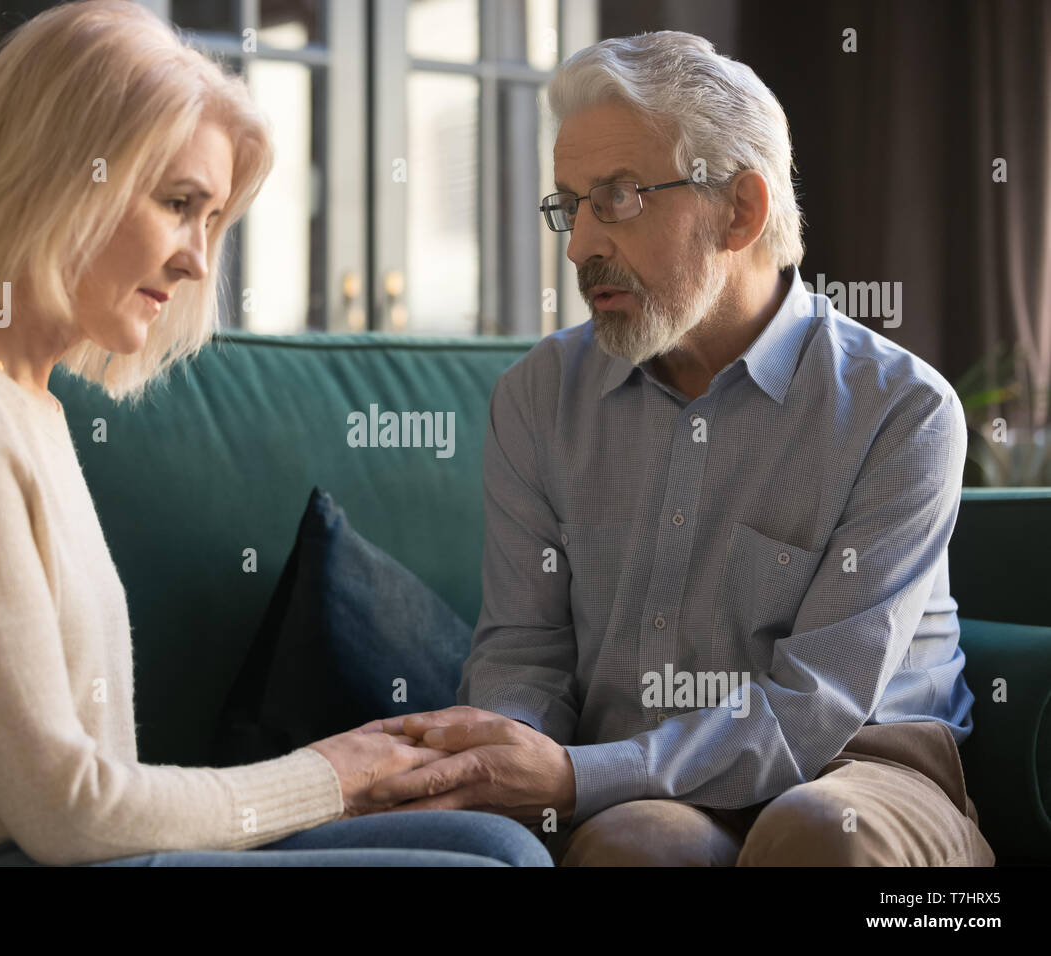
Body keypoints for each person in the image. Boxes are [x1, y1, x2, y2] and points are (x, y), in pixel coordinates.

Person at [0, 0, 549, 868]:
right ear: (52, 177)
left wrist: (344, 775)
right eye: (178, 204)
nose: (199, 260)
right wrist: (329, 773)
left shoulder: (18, 395)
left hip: (45, 850)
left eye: (213, 220)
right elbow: (71, 811)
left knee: (490, 843)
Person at [360, 31, 996, 867]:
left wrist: (577, 777)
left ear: (741, 210)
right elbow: (525, 650)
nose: (580, 243)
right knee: (632, 847)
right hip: (627, 775)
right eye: (570, 203)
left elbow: (820, 704)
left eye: (618, 196)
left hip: (863, 766)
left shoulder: (902, 411)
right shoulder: (538, 398)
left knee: (817, 832)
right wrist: (508, 751)